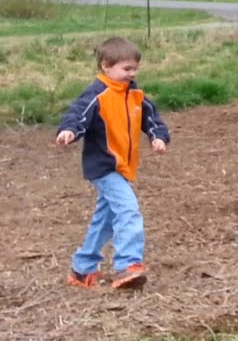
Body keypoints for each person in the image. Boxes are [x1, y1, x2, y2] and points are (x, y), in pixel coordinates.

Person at [55, 37, 170, 291]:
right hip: (104, 166)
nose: (132, 74)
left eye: (134, 69)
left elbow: (151, 118)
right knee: (128, 210)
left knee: (105, 219)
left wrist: (158, 137)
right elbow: (77, 114)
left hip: (123, 166)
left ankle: (82, 269)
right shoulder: (97, 94)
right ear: (106, 66)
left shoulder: (135, 94)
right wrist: (69, 131)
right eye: (126, 69)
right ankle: (127, 265)